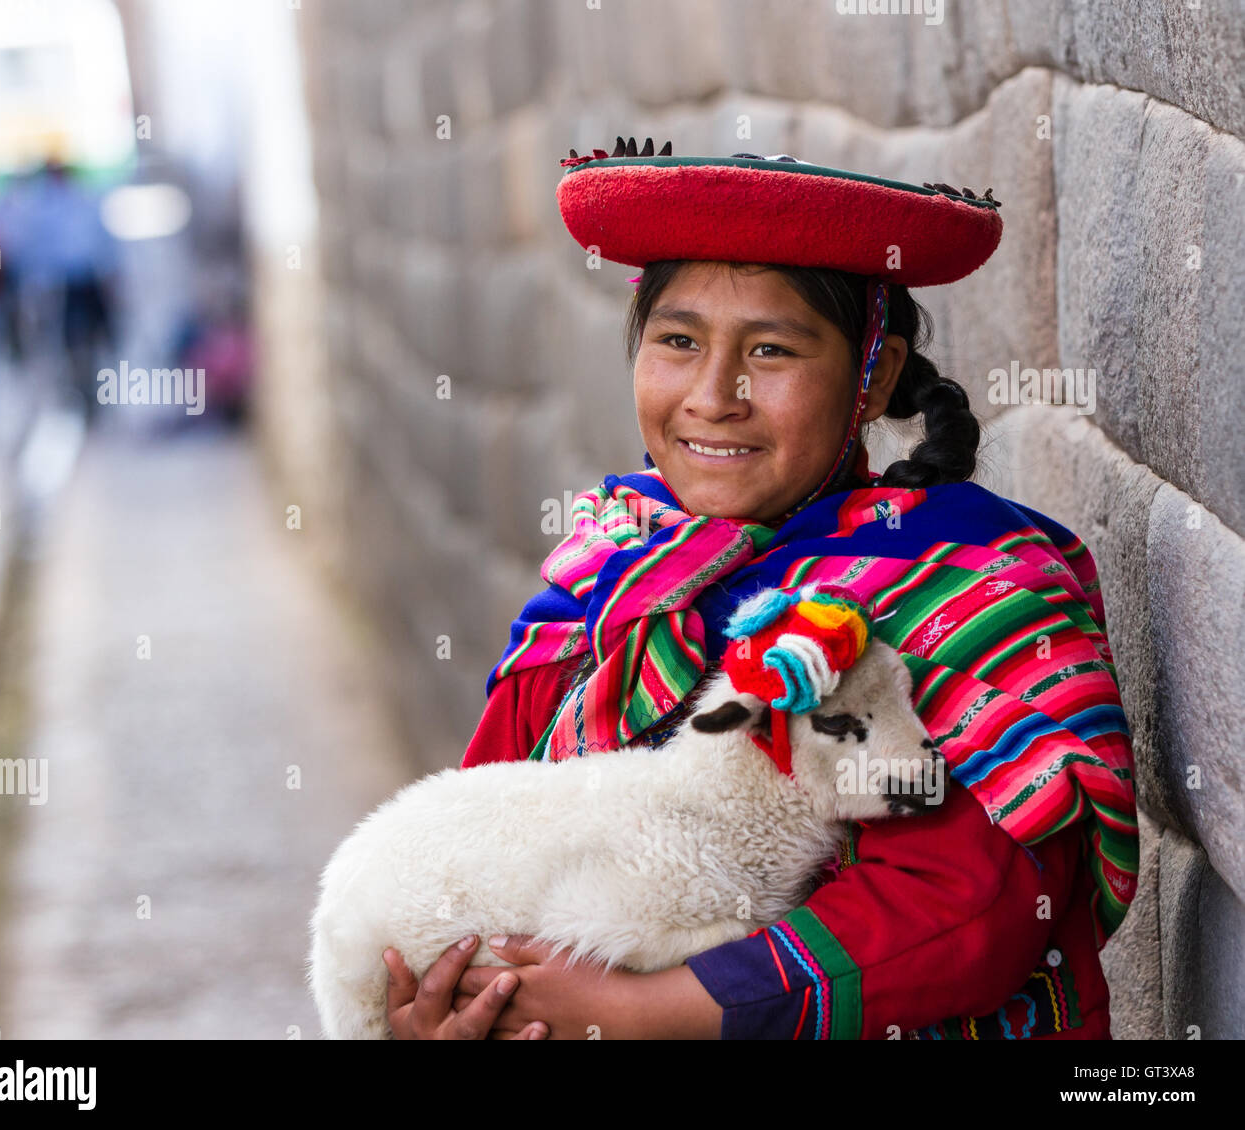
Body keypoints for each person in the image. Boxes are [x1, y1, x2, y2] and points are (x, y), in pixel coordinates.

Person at [381, 143, 1138, 1040]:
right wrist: (451, 1004)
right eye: (678, 341)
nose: (714, 395)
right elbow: (483, 834)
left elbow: (976, 907)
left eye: (771, 350)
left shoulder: (966, 585)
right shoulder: (607, 572)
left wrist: (645, 1012)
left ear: (876, 376)